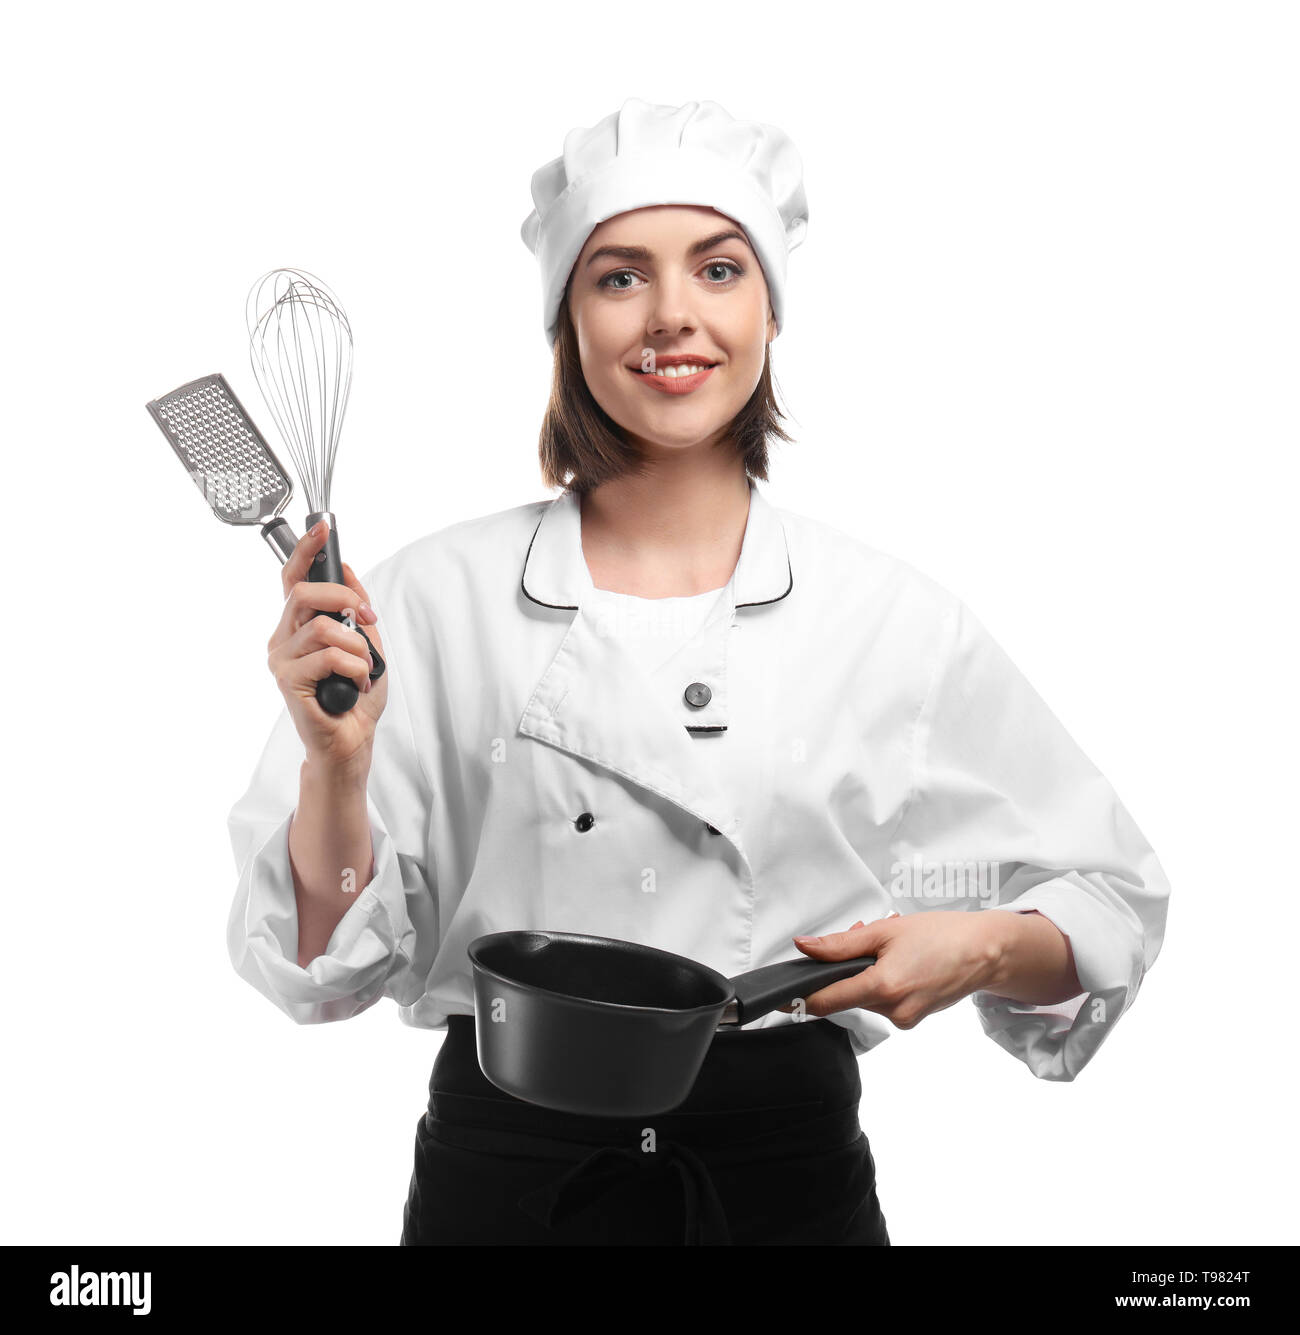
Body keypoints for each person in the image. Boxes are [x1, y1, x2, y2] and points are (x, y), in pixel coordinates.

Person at [227, 97, 1171, 1246]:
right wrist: (337, 763)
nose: (672, 316)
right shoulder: (428, 602)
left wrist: (974, 945)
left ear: (770, 309)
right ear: (565, 320)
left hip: (784, 1174)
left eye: (717, 269)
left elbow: (1105, 896)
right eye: (620, 277)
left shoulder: (884, 619)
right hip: (508, 1175)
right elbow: (323, 968)